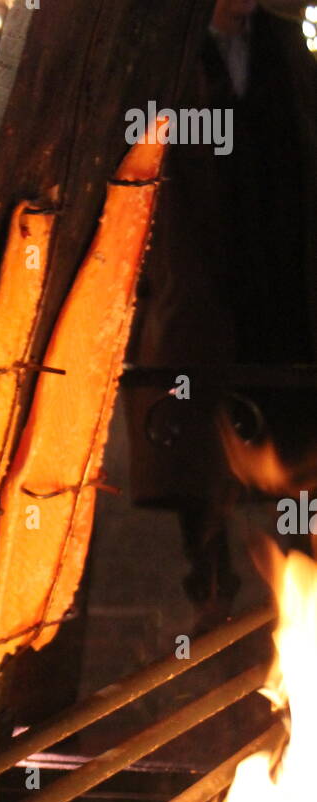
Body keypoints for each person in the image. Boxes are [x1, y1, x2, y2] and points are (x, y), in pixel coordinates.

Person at [125, 0, 317, 629]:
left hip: (280, 269)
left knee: (293, 425)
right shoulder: (170, 47)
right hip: (198, 267)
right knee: (199, 430)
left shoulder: (284, 45)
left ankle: (300, 573)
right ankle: (209, 577)